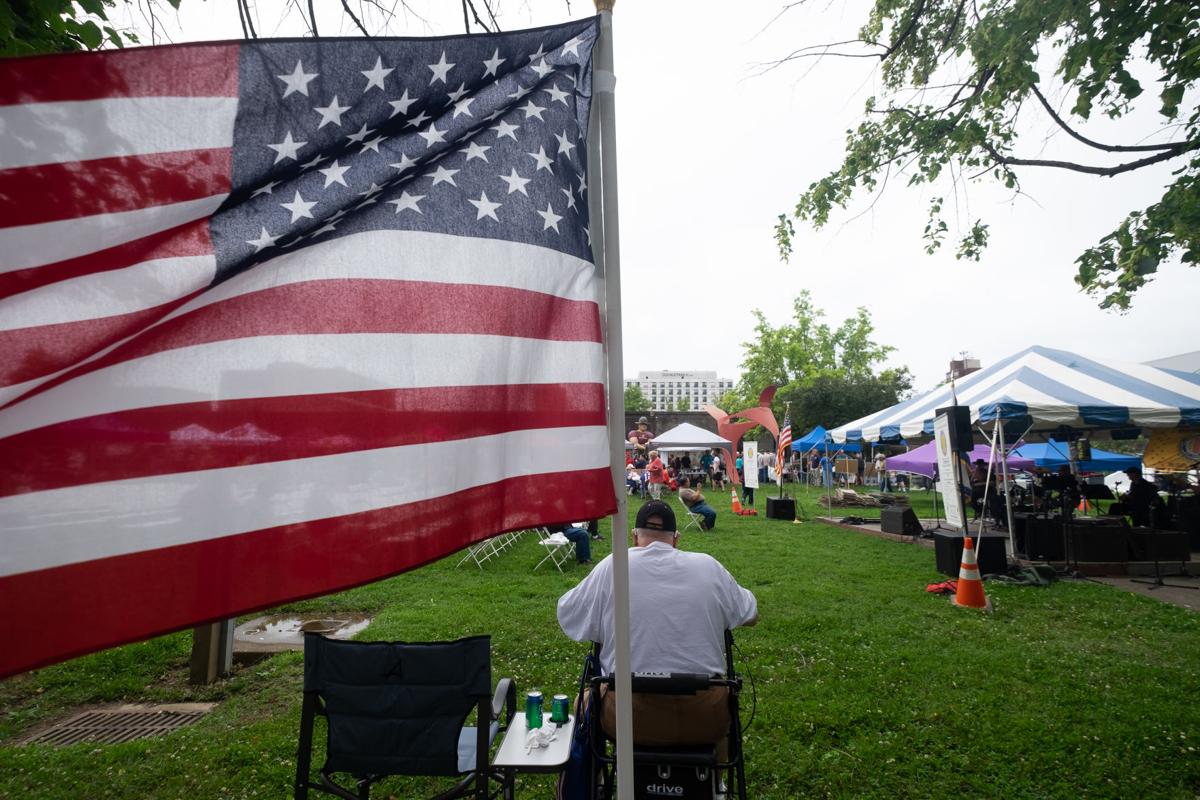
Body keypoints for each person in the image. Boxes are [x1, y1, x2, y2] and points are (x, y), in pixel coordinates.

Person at [556, 501, 757, 757]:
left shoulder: (613, 565)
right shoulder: (709, 566)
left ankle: (595, 786)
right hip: (705, 716)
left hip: (629, 717)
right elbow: (752, 615)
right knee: (724, 702)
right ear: (676, 539)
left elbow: (568, 613)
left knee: (582, 701)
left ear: (634, 536)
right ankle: (715, 787)